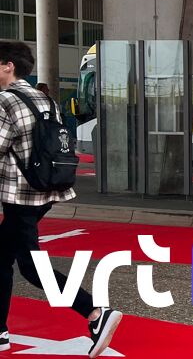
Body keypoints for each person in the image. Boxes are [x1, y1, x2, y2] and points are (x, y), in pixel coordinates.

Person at [0, 41, 122, 358]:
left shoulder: (5, 101)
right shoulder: (45, 99)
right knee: (2, 257)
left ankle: (95, 313)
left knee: (29, 266)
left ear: (8, 66)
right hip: (47, 190)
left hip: (21, 195)